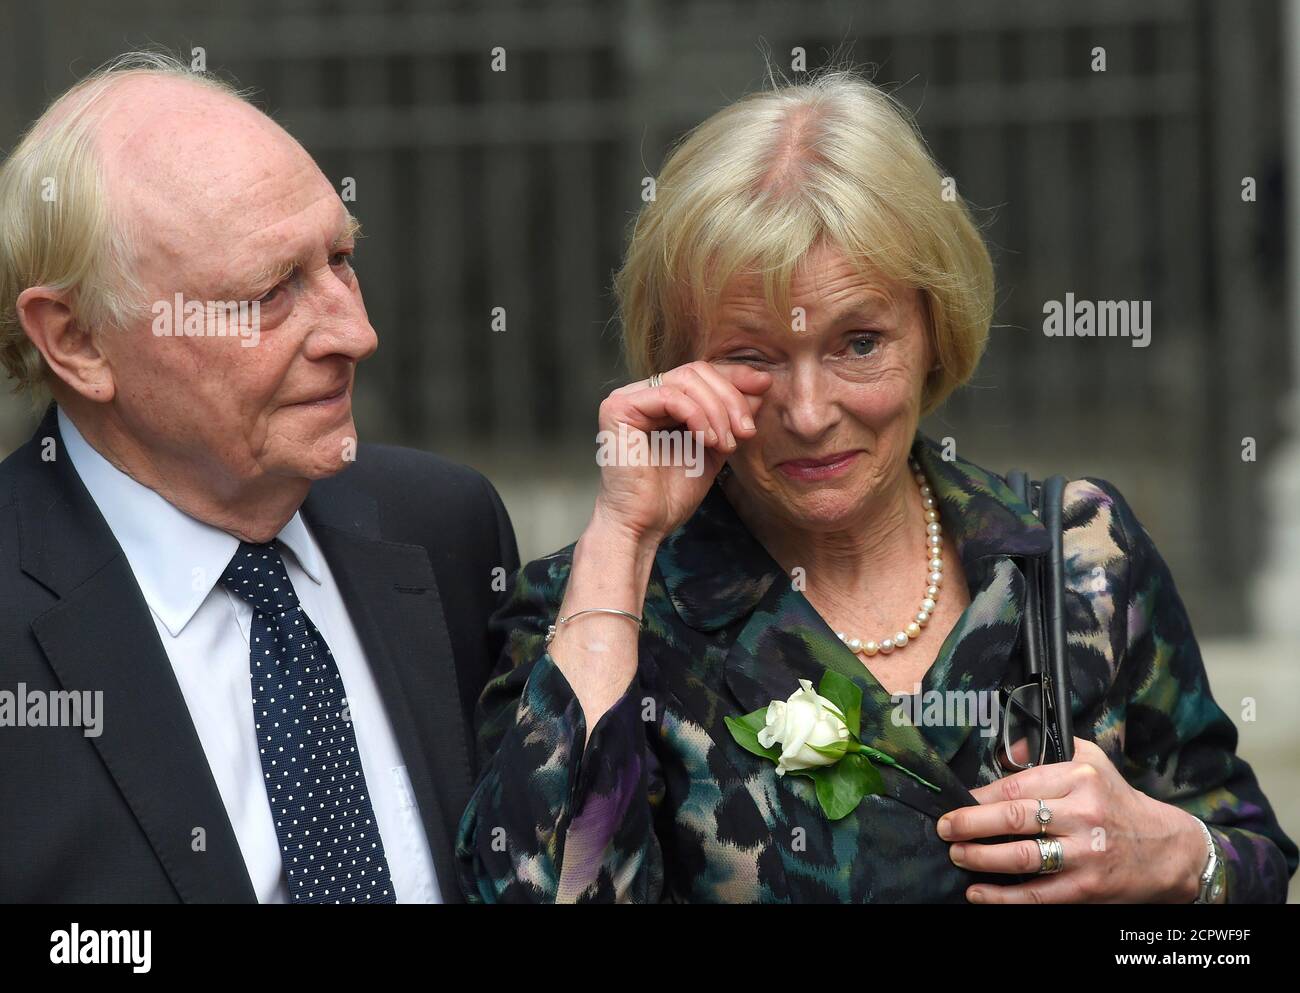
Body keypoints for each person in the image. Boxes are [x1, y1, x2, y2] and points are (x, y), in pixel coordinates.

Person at [456, 70, 1297, 902]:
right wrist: (623, 537)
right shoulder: (598, 609)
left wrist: (1180, 859)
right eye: (752, 355)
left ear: (934, 326)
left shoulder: (1080, 555)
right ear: (680, 366)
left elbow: (1244, 873)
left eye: (858, 342)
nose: (811, 411)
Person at [0, 53, 517, 903]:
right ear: (79, 341)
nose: (355, 332)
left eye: (341, 259)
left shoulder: (445, 529)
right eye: (272, 291)